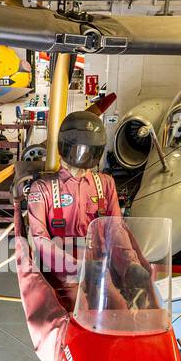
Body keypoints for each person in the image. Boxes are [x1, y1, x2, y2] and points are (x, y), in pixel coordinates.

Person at [25, 110, 121, 281]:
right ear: (65, 147)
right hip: (60, 272)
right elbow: (40, 238)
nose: (85, 157)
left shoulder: (106, 184)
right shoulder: (42, 189)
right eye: (81, 151)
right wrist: (78, 268)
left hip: (99, 268)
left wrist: (131, 264)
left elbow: (117, 230)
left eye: (91, 152)